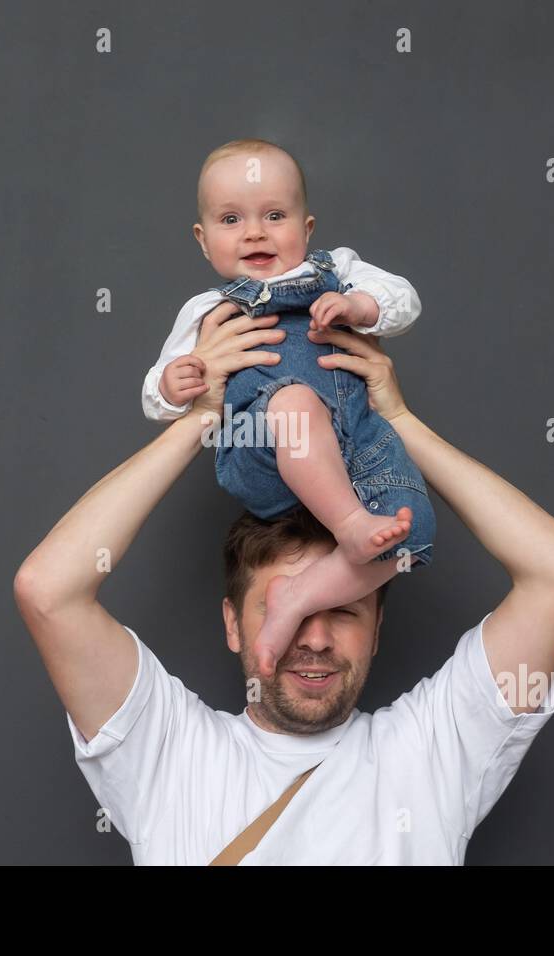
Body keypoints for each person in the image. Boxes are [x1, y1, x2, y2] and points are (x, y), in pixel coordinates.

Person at [14, 308, 554, 864]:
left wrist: (396, 424)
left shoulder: (430, 752)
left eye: (342, 610)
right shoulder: (168, 754)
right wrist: (198, 421)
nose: (314, 638)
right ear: (231, 624)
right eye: (285, 608)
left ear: (377, 630)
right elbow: (48, 590)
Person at [141, 139, 434, 677]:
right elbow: (155, 396)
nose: (255, 231)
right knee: (294, 402)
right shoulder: (207, 310)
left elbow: (403, 300)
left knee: (409, 534)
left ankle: (298, 597)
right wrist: (176, 380)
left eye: (275, 215)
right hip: (260, 452)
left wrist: (358, 306)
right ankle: (349, 524)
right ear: (204, 241)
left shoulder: (337, 269)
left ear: (308, 228)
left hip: (354, 445)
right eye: (232, 219)